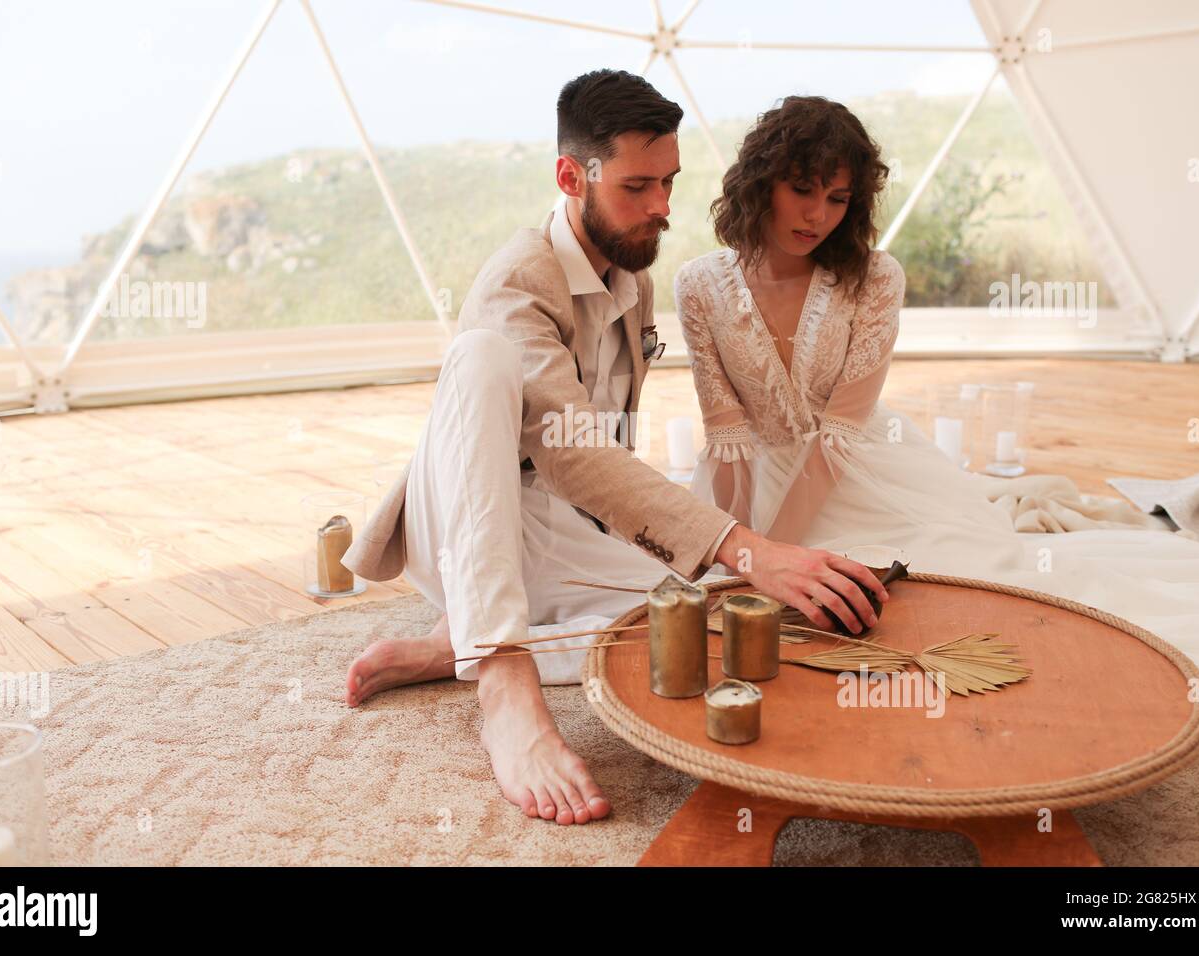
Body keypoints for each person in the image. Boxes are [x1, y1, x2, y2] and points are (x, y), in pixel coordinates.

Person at [338, 71, 890, 826]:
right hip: (471, 526)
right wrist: (751, 547)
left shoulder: (633, 276)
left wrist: (741, 561)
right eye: (637, 186)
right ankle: (502, 677)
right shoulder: (518, 279)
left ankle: (454, 644)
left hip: (564, 531)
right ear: (572, 176)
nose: (661, 208)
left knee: (711, 623)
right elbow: (573, 454)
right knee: (482, 357)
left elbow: (607, 462)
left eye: (668, 183)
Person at [675, 94, 1199, 760]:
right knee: (704, 607)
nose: (817, 215)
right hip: (752, 484)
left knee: (991, 595)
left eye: (836, 198)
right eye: (801, 190)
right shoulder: (697, 284)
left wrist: (780, 560)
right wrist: (745, 560)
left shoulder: (875, 277)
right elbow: (727, 437)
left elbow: (838, 438)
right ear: (758, 181)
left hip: (860, 471)